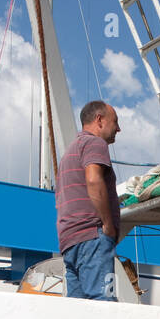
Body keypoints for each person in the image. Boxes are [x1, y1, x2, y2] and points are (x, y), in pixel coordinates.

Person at [56, 100, 122, 299]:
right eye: (115, 122)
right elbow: (93, 180)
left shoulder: (70, 152)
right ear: (99, 120)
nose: (118, 128)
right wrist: (108, 225)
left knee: (78, 312)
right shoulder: (95, 143)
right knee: (103, 303)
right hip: (93, 238)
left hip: (70, 241)